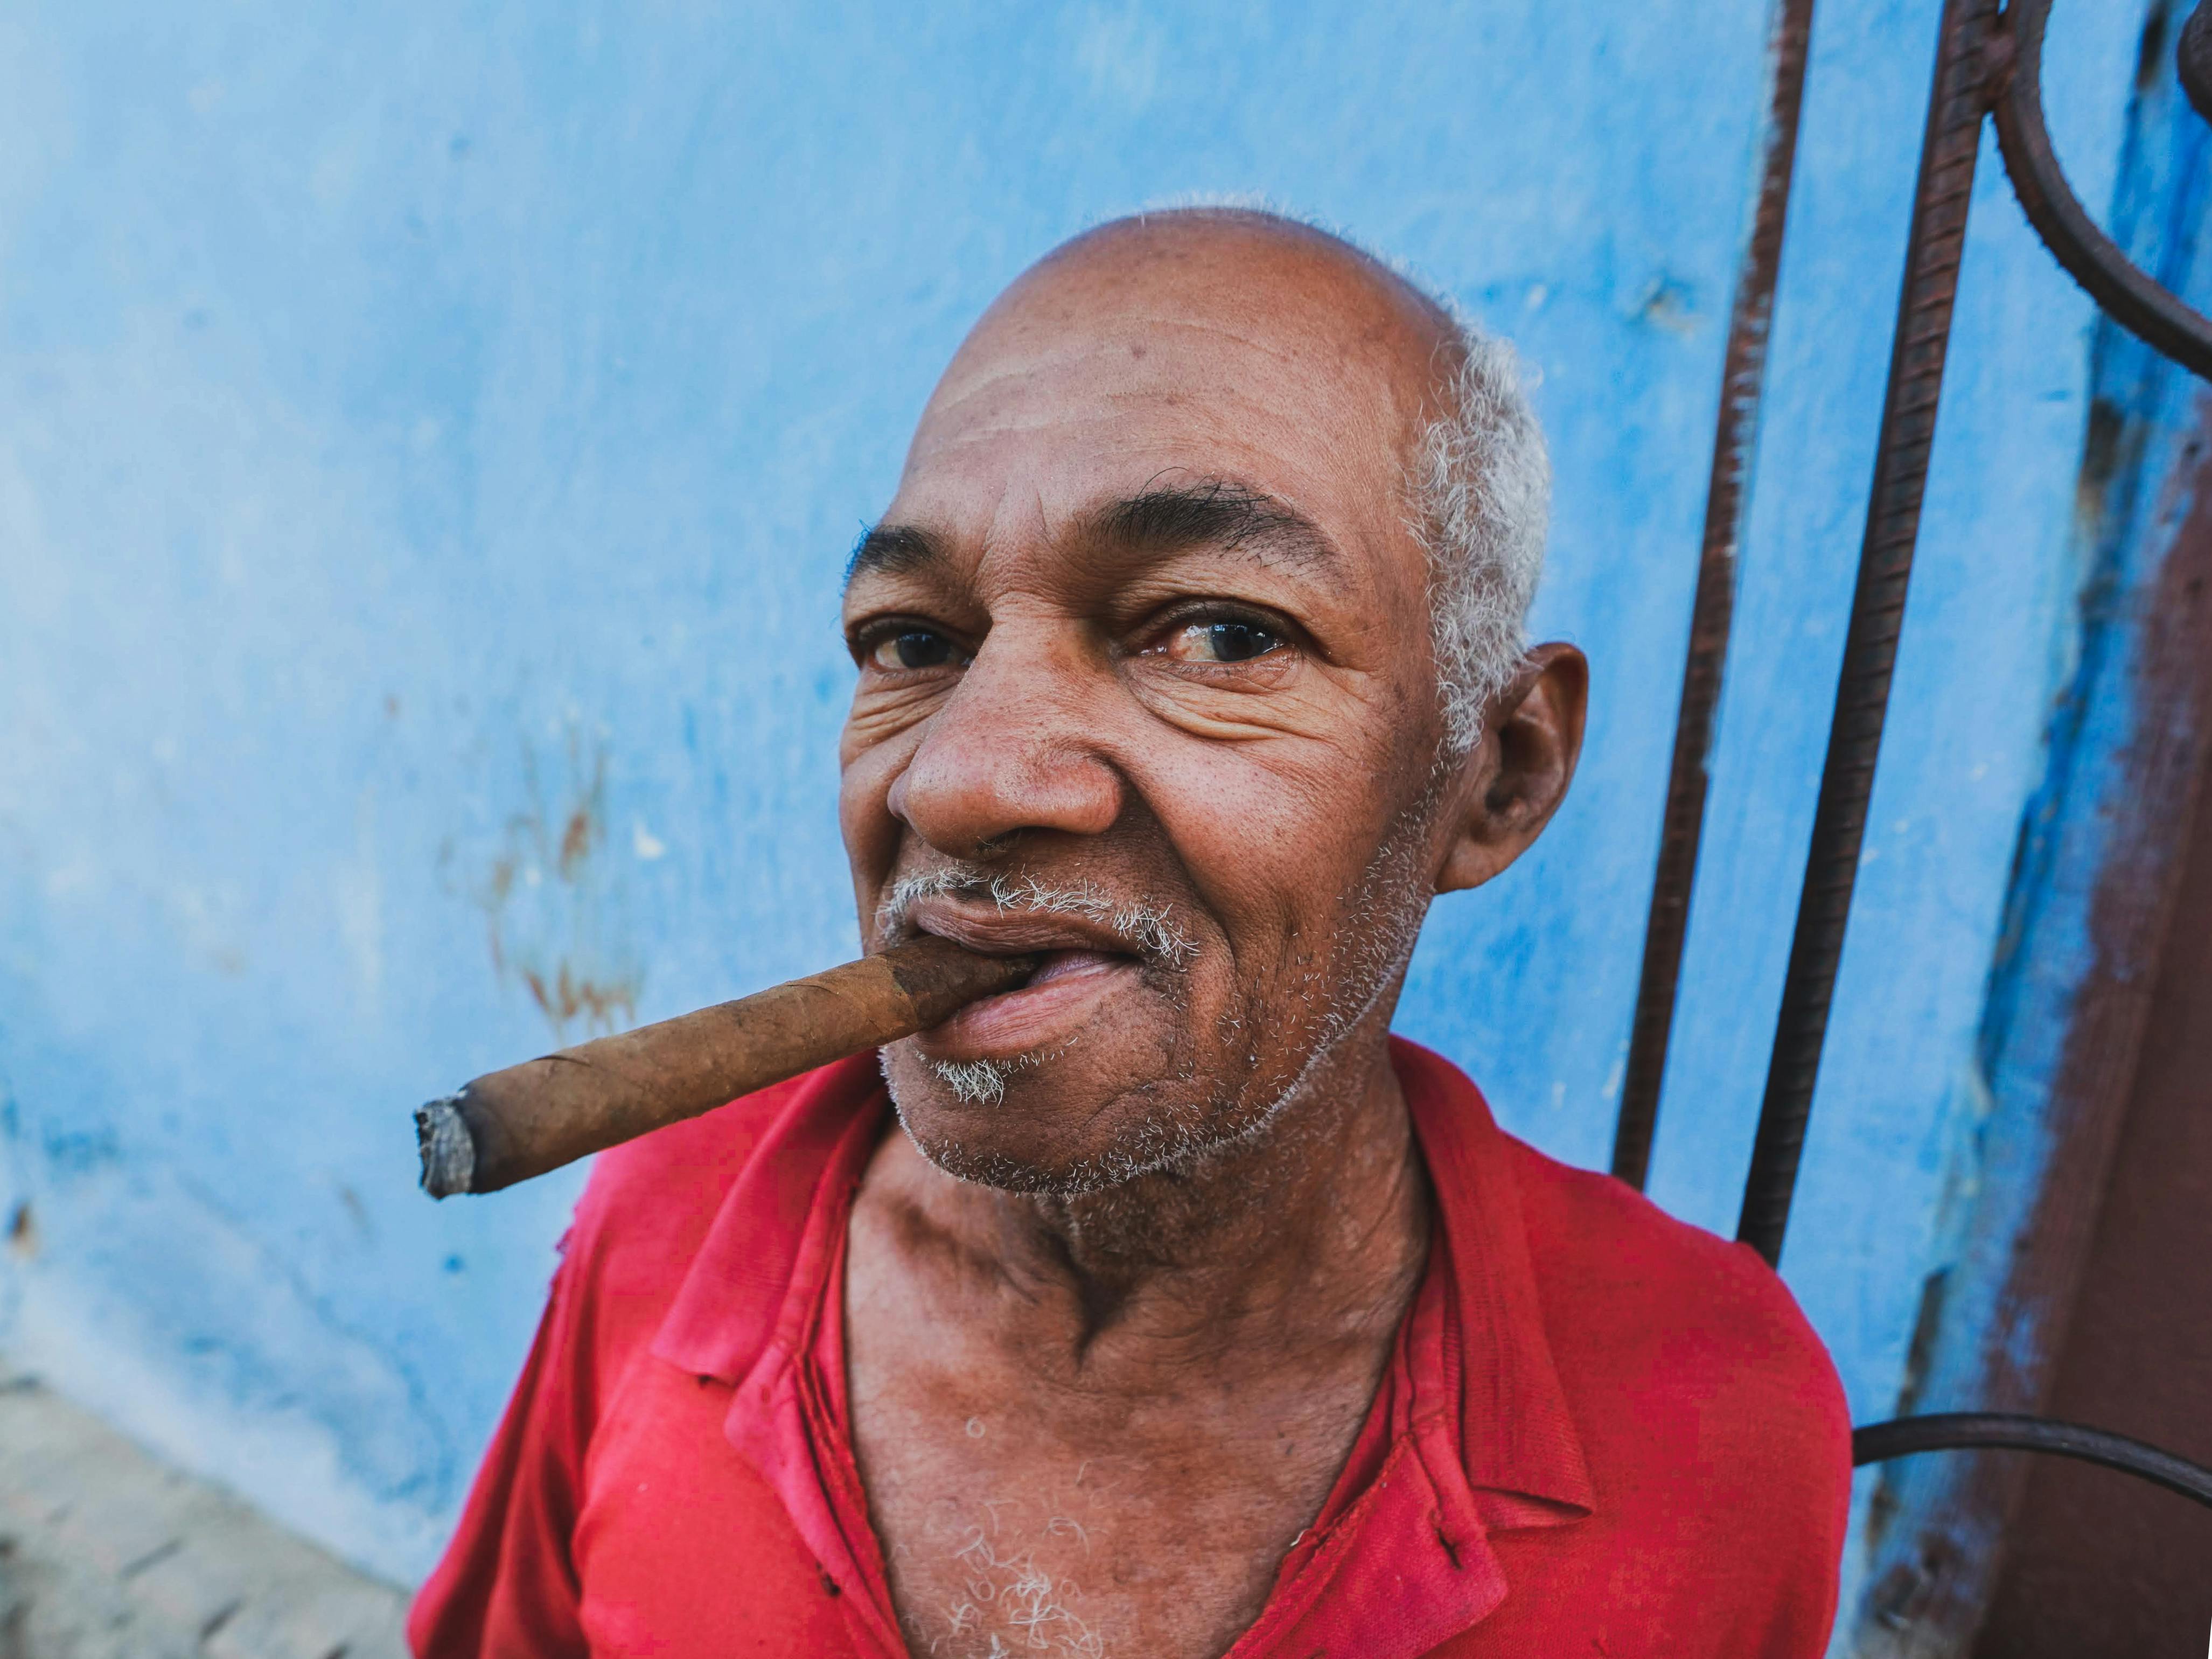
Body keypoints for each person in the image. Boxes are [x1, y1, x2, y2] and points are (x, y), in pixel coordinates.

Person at [409, 208, 1851, 1658]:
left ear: (1497, 772)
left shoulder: (1709, 1417)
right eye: (915, 640)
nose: (959, 780)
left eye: (1219, 633)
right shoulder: (672, 1217)